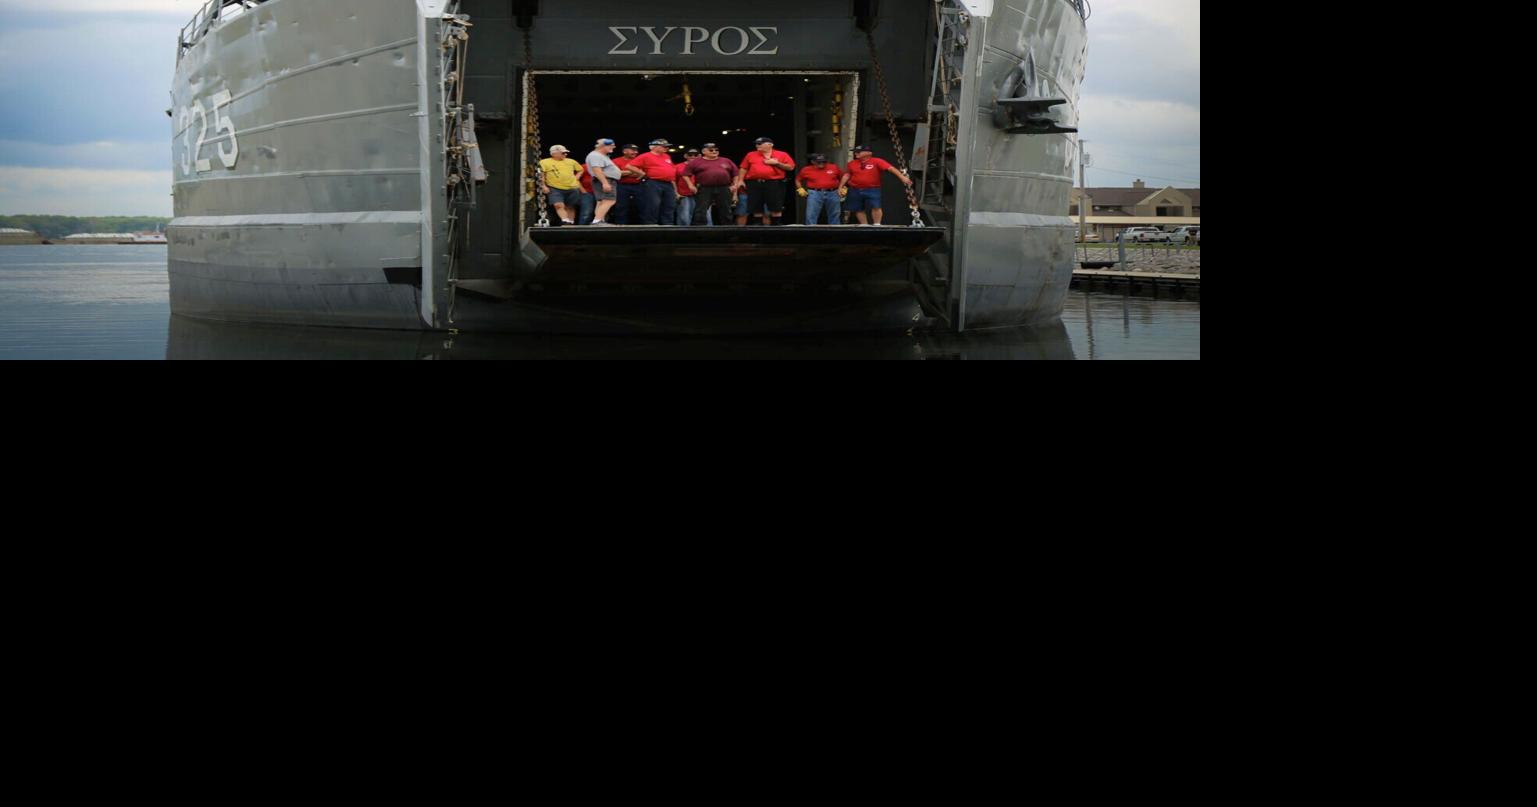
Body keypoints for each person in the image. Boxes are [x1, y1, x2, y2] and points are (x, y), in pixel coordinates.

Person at [843, 144, 913, 226]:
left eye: (858, 152)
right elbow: (847, 175)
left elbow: (891, 169)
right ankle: (864, 225)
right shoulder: (851, 163)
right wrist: (841, 186)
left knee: (876, 206)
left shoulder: (877, 161)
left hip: (872, 189)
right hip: (855, 189)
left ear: (868, 153)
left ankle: (877, 224)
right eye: (855, 152)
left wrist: (902, 177)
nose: (856, 153)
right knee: (858, 208)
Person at [734, 137, 796, 226]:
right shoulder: (750, 154)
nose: (757, 145)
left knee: (775, 205)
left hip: (774, 182)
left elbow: (791, 167)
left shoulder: (782, 154)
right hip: (754, 182)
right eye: (756, 144)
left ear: (770, 145)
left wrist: (777, 163)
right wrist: (740, 180)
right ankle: (757, 225)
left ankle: (776, 226)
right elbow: (744, 168)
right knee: (756, 205)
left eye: (760, 144)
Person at [683, 143, 739, 227]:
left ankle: (728, 229)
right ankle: (698, 230)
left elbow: (735, 174)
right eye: (711, 150)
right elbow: (685, 174)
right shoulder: (696, 162)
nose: (714, 151)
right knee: (701, 209)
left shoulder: (726, 160)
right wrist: (691, 185)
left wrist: (735, 185)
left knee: (726, 209)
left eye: (716, 150)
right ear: (704, 151)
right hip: (704, 188)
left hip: (723, 188)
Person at [628, 139, 680, 226]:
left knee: (669, 204)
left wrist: (675, 188)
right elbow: (629, 166)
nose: (666, 148)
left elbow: (671, 170)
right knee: (653, 204)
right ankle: (650, 224)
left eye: (667, 146)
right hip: (653, 182)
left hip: (668, 183)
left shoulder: (667, 156)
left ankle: (667, 224)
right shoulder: (645, 156)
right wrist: (642, 173)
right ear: (655, 147)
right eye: (664, 146)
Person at [796, 154, 847, 226]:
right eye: (819, 162)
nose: (822, 164)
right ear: (812, 162)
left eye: (824, 162)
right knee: (811, 214)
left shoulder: (833, 167)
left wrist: (842, 187)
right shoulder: (806, 169)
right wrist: (800, 188)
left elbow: (843, 177)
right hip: (814, 193)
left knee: (835, 213)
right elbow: (798, 180)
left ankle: (835, 232)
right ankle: (810, 232)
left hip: (833, 192)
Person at [538, 145, 583, 226]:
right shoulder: (544, 162)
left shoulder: (571, 161)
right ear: (554, 154)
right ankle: (565, 220)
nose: (565, 154)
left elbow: (580, 170)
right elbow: (542, 175)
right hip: (555, 188)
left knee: (571, 206)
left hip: (572, 187)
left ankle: (571, 222)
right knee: (558, 205)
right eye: (563, 153)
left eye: (565, 153)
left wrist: (577, 177)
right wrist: (543, 186)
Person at [585, 138, 621, 226]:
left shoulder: (601, 155)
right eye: (611, 146)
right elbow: (597, 170)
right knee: (609, 200)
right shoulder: (596, 155)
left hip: (604, 179)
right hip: (605, 180)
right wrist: (605, 183)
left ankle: (599, 220)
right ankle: (597, 221)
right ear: (603, 146)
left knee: (601, 201)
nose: (614, 147)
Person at [612, 144, 645, 225]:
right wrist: (635, 171)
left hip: (639, 185)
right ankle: (620, 225)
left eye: (636, 150)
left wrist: (624, 172)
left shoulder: (640, 160)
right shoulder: (616, 161)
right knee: (621, 206)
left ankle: (641, 226)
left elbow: (644, 173)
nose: (635, 152)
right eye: (632, 150)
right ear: (624, 151)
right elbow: (616, 174)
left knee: (641, 205)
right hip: (622, 186)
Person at [674, 148, 702, 226]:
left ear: (699, 156)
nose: (693, 156)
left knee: (704, 216)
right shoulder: (678, 166)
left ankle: (706, 235)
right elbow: (672, 181)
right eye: (690, 155)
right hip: (683, 194)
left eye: (695, 155)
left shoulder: (704, 166)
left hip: (701, 195)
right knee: (684, 216)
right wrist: (676, 193)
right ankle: (683, 235)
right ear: (685, 156)